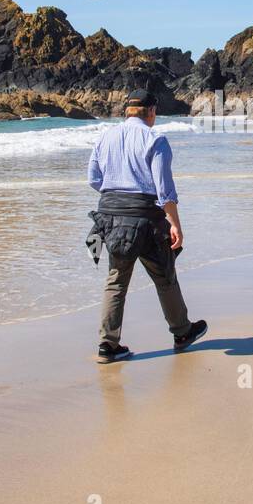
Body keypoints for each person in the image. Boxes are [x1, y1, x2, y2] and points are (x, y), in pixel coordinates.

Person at [84, 89, 208, 363]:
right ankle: (182, 332)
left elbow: (94, 179)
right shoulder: (155, 139)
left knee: (116, 281)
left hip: (110, 217)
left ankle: (107, 345)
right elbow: (165, 190)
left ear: (127, 110)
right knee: (164, 276)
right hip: (145, 219)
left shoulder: (104, 136)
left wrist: (118, 195)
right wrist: (175, 224)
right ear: (151, 111)